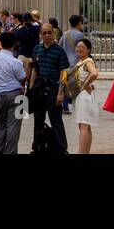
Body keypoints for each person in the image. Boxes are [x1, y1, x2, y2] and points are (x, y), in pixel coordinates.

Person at [29, 22, 70, 153]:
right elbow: (34, 70)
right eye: (44, 33)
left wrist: (60, 93)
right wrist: (30, 89)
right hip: (39, 88)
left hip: (53, 88)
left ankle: (61, 148)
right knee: (38, 119)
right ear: (40, 34)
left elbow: (64, 72)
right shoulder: (37, 49)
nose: (47, 35)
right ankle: (37, 147)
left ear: (54, 33)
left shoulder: (59, 51)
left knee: (56, 120)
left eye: (49, 32)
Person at [0, 30, 27, 154]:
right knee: (14, 127)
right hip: (16, 94)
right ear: (14, 44)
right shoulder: (16, 62)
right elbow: (22, 79)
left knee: (0, 126)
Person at [71, 37, 100, 154]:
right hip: (83, 96)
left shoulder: (87, 61)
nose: (79, 49)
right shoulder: (80, 61)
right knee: (86, 126)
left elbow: (94, 73)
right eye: (78, 46)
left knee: (83, 126)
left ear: (88, 49)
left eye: (82, 47)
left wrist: (85, 84)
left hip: (83, 96)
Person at [59, 15, 85, 115]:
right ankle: (78, 105)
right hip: (76, 63)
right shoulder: (80, 35)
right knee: (78, 84)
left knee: (65, 84)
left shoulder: (65, 34)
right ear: (79, 23)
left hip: (65, 63)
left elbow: (60, 47)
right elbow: (82, 48)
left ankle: (65, 107)